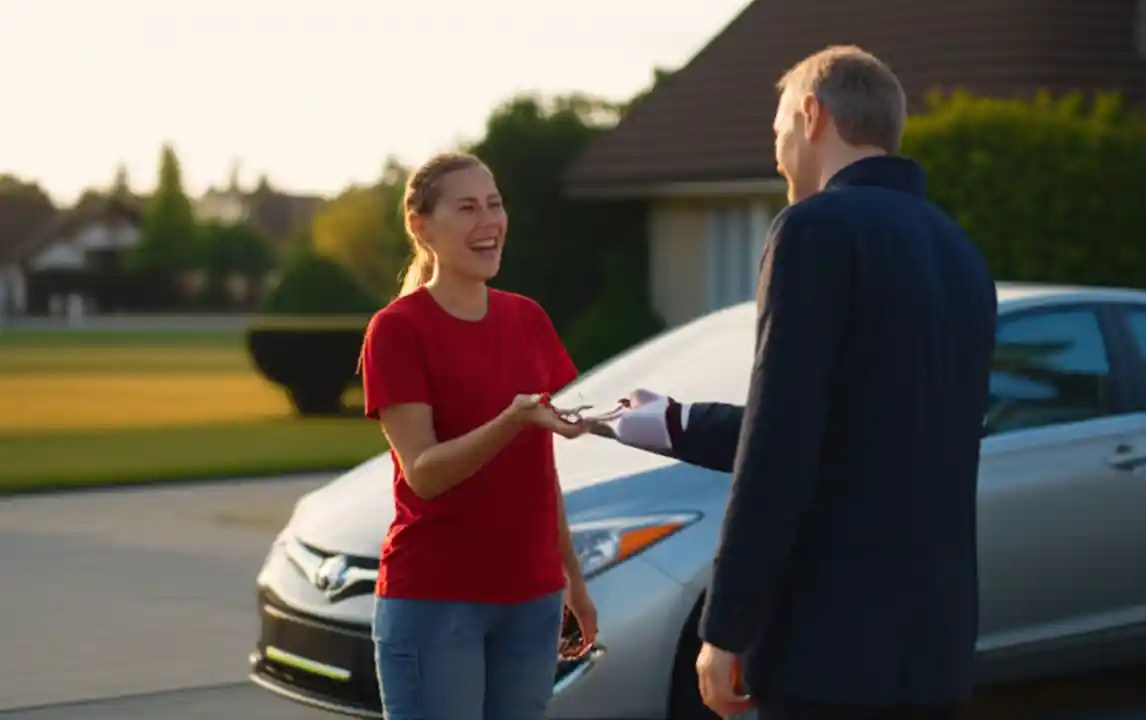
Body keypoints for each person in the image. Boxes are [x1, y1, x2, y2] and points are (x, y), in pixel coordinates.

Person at [594, 46, 997, 720]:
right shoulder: (959, 249)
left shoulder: (814, 229)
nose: (777, 152)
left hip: (829, 643)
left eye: (778, 129)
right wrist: (675, 424)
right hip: (935, 646)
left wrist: (725, 627)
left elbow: (784, 445)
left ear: (811, 115)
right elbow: (865, 433)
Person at [359, 151, 598, 720]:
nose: (488, 221)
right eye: (466, 208)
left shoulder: (528, 320)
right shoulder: (396, 330)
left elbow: (541, 472)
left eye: (494, 204)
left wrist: (573, 579)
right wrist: (509, 421)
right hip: (437, 600)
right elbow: (425, 473)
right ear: (422, 227)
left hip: (533, 597)